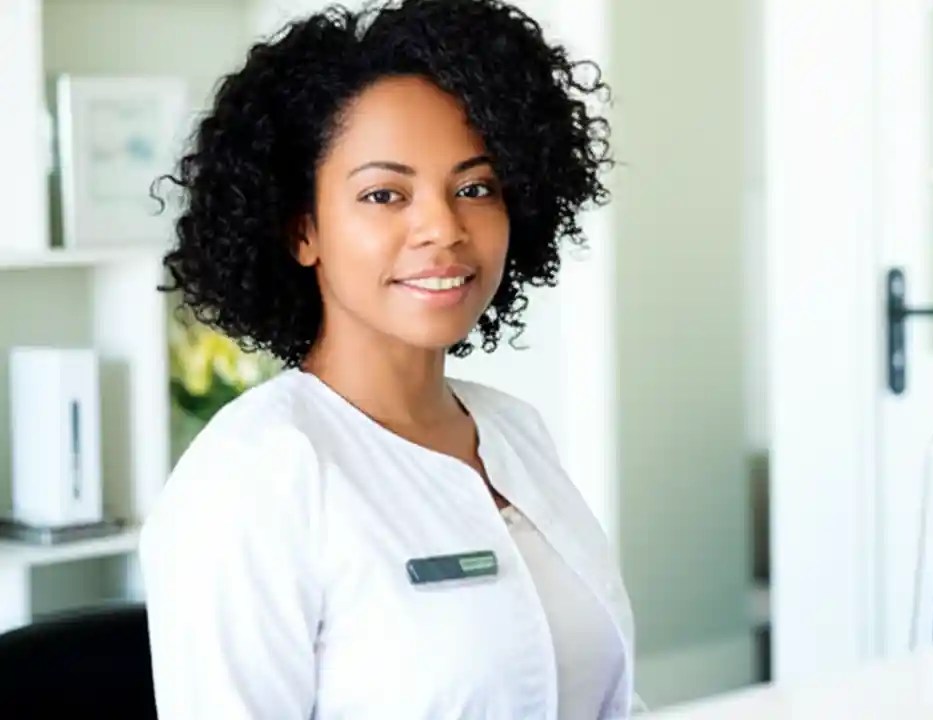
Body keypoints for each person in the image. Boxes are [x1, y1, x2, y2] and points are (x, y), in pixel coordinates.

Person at [139, 1, 642, 717]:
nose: (442, 227)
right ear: (303, 229)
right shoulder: (257, 476)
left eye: (475, 188)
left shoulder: (514, 432)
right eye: (384, 194)